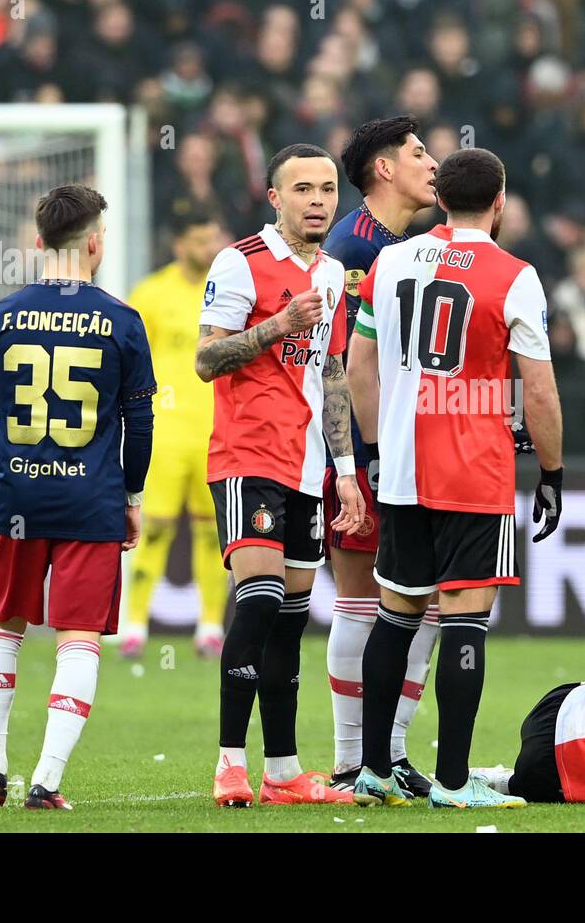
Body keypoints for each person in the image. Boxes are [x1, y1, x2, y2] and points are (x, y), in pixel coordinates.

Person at [347, 148, 564, 808]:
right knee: (465, 622)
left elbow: (359, 367)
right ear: (500, 202)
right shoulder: (515, 276)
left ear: (439, 198)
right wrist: (552, 470)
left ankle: (373, 770)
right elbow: (539, 391)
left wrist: (378, 449)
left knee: (396, 615)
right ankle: (451, 781)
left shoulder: (389, 262)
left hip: (403, 469)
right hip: (474, 472)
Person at [0, 184, 156, 810]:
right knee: (79, 638)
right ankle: (45, 782)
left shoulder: (1, 316)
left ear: (40, 241)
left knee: (2, 626)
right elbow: (140, 424)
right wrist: (131, 496)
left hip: (15, 499)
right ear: (95, 243)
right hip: (90, 502)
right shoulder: (122, 321)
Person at [196, 143, 365, 807]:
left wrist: (345, 470)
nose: (318, 201)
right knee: (260, 599)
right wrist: (277, 325)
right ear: (275, 198)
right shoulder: (239, 262)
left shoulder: (334, 274)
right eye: (303, 189)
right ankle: (229, 763)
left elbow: (331, 373)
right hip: (247, 455)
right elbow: (207, 360)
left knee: (291, 619)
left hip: (307, 466)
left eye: (327, 189)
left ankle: (284, 772)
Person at [321, 115, 440, 796]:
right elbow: (338, 365)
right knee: (363, 600)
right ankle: (350, 761)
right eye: (419, 153)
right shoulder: (354, 249)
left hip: (406, 452)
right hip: (361, 455)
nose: (433, 164)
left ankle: (388, 755)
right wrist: (355, 463)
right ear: (386, 169)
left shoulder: (409, 248)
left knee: (420, 602)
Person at [120, 208, 228, 659]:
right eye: (201, 240)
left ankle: (210, 628)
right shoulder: (151, 293)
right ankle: (134, 626)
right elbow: (129, 359)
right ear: (180, 245)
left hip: (216, 431)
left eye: (213, 238)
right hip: (165, 433)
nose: (211, 247)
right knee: (154, 529)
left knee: (212, 533)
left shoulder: (227, 288)